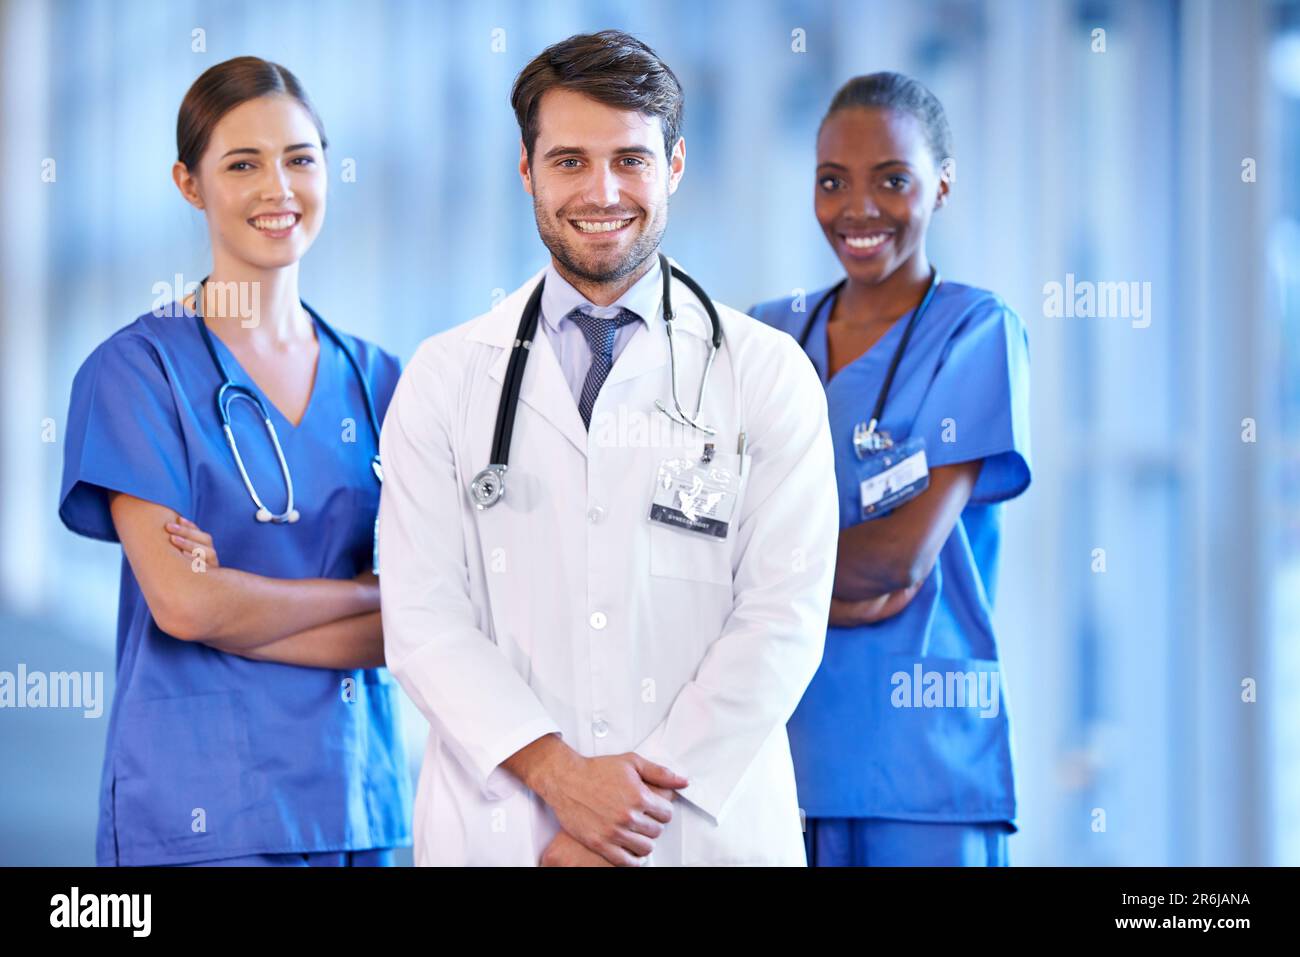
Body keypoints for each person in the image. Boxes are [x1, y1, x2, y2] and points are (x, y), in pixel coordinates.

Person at [377, 30, 837, 866]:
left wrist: (619, 823)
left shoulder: (767, 375)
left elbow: (782, 622)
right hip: (509, 831)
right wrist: (560, 779)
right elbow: (421, 620)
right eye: (569, 161)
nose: (602, 190)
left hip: (701, 835)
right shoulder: (445, 377)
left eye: (631, 158)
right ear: (526, 169)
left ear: (677, 166)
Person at [58, 56, 411, 866]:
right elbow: (183, 606)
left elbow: (419, 625)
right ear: (190, 183)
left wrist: (236, 604)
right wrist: (360, 593)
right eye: (242, 163)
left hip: (358, 799)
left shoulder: (381, 380)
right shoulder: (138, 373)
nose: (277, 187)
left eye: (300, 158)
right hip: (197, 810)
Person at [749, 72, 1032, 866]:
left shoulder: (977, 331)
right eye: (832, 182)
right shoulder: (768, 338)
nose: (857, 209)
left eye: (893, 180)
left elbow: (905, 556)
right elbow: (704, 549)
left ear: (942, 185)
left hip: (924, 764)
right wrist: (818, 586)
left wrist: (770, 593)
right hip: (777, 756)